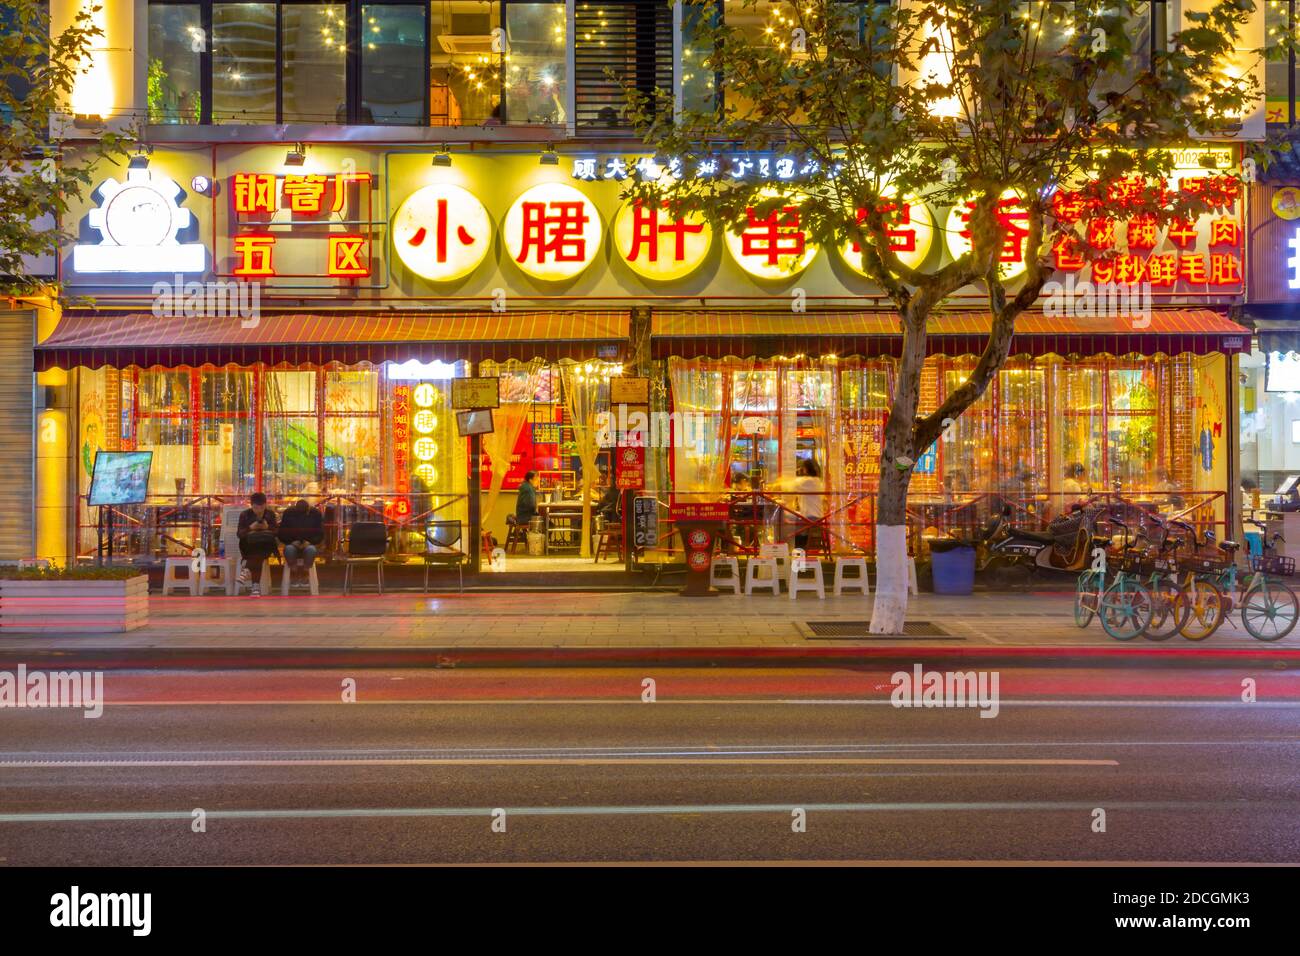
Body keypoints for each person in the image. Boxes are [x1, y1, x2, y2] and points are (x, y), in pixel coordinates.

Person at [236, 492, 279, 597]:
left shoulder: (270, 514)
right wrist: (251, 528)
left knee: (258, 552)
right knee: (256, 554)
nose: (259, 510)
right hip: (248, 546)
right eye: (256, 507)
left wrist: (267, 527)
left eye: (262, 507)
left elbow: (277, 532)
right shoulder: (245, 514)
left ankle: (247, 572)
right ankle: (255, 587)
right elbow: (239, 534)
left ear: (265, 505)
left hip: (266, 546)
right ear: (251, 506)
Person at [786, 458, 826, 551]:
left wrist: (775, 484)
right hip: (816, 516)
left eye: (802, 468)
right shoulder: (816, 480)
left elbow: (788, 485)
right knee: (790, 520)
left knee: (785, 523)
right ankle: (797, 548)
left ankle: (797, 549)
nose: (800, 470)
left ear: (806, 469)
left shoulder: (808, 481)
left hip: (811, 517)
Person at [278, 498, 324, 571]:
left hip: (309, 544)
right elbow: (281, 533)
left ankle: (305, 572)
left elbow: (320, 534)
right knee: (289, 550)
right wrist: (292, 542)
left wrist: (309, 542)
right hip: (292, 544)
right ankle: (294, 571)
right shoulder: (288, 513)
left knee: (311, 550)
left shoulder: (315, 514)